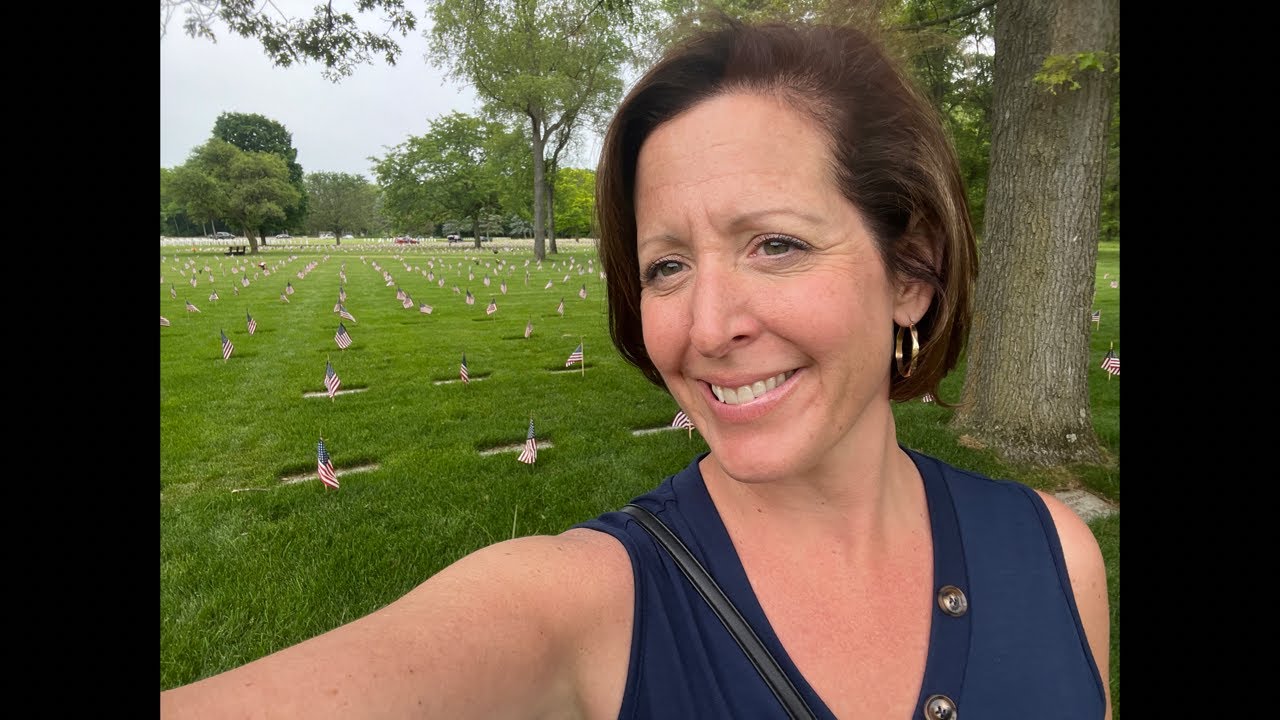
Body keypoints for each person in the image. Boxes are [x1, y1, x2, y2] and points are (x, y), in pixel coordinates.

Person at [161, 18, 1111, 719]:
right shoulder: (585, 604)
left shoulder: (1057, 554)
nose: (706, 326)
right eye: (667, 265)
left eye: (775, 243)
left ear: (912, 270)